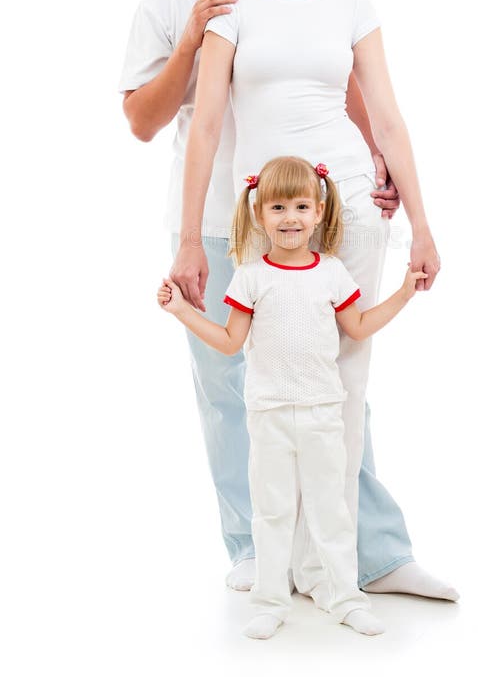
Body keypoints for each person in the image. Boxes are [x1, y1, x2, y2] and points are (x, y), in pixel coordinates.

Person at [122, 0, 457, 603]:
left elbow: (345, 90)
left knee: (336, 379)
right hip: (221, 219)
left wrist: (386, 168)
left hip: (320, 210)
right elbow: (160, 122)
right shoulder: (191, 3)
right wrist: (192, 33)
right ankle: (259, 549)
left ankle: (364, 554)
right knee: (233, 387)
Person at [159, 156, 429, 639]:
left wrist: (405, 291)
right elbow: (228, 342)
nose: (290, 218)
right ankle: (270, 600)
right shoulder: (250, 277)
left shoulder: (331, 273)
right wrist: (180, 310)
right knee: (273, 509)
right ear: (259, 212)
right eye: (278, 207)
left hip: (323, 411)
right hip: (269, 414)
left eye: (301, 206)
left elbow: (360, 327)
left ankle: (344, 596)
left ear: (320, 210)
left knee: (331, 508)